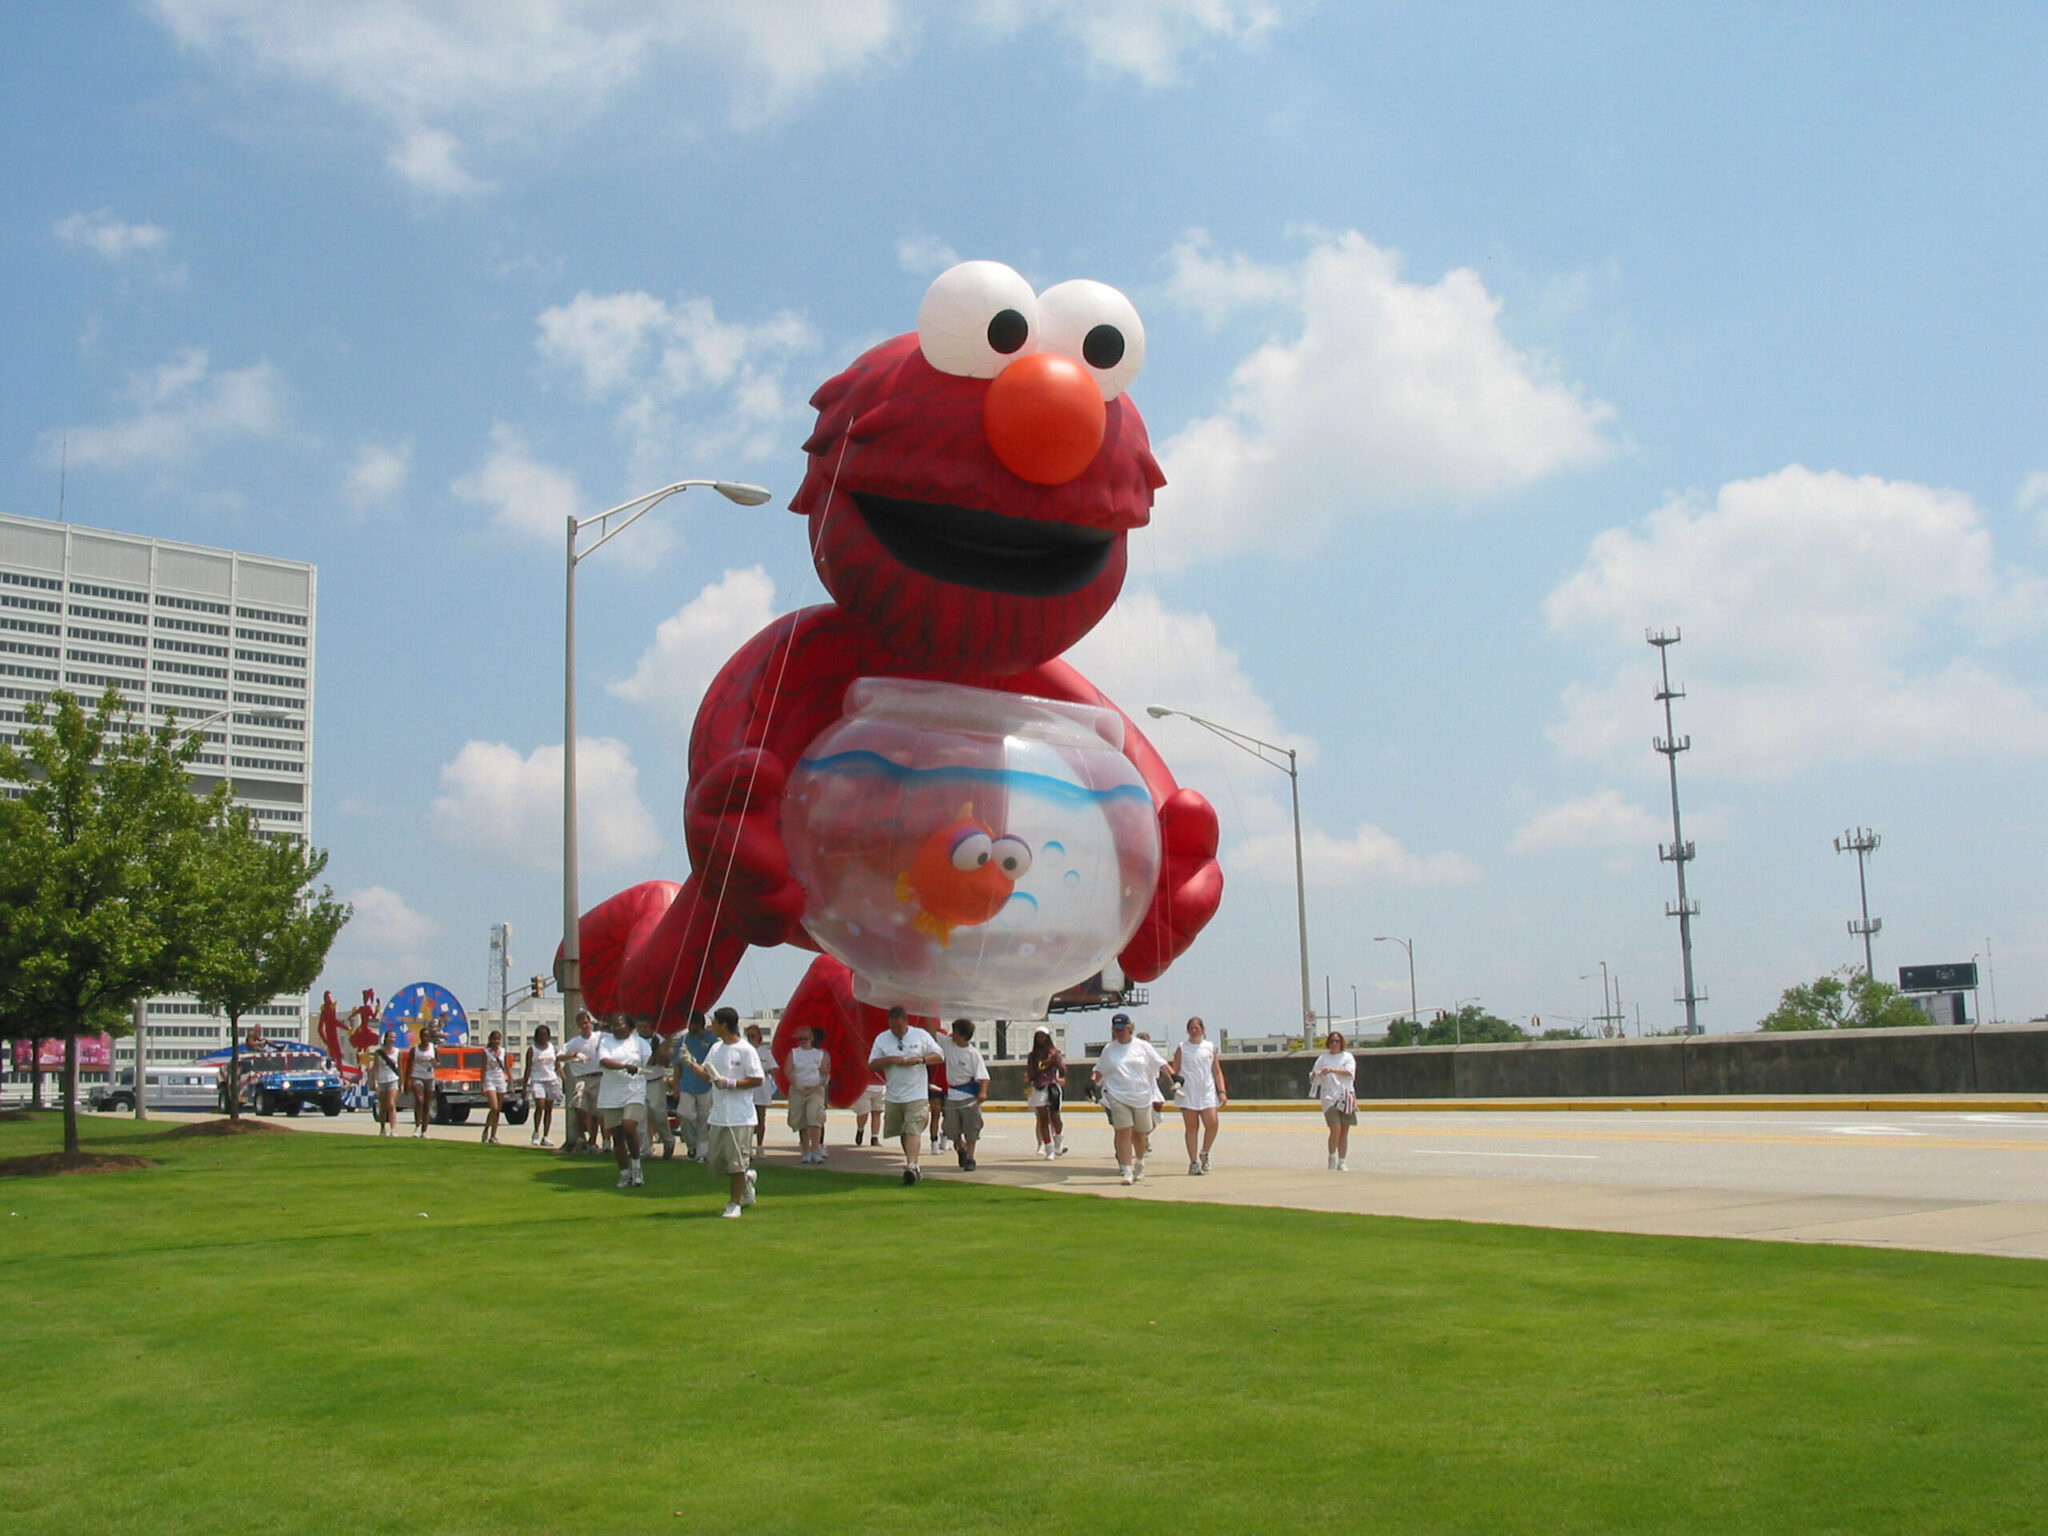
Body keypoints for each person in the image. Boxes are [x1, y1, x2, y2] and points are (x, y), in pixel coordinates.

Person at [1090, 1013, 1170, 1185]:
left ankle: (1139, 1163)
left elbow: (1161, 1063)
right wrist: (1092, 1083)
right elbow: (1100, 1069)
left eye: (1123, 1030)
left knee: (1140, 1135)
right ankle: (1126, 1169)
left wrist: (1175, 1077)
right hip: (1117, 1094)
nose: (1120, 1033)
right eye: (1116, 1030)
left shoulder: (1142, 1047)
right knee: (1123, 1131)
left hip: (1141, 1095)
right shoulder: (1109, 1050)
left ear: (1129, 1028)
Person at [866, 1006, 942, 1185]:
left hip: (917, 1093)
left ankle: (911, 1165)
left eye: (899, 1027)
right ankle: (913, 1164)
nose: (896, 1031)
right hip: (894, 1094)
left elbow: (939, 1055)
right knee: (903, 1131)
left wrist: (921, 1060)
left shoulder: (920, 1035)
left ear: (906, 1022)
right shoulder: (882, 1039)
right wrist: (891, 1060)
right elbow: (872, 1064)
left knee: (913, 1128)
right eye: (893, 1027)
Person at [704, 1007, 763, 1218]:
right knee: (717, 1163)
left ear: (724, 1025)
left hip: (740, 1116)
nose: (711, 1027)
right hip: (718, 1115)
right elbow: (707, 1075)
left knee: (737, 1162)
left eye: (715, 1023)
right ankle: (747, 1178)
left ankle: (734, 1203)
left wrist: (729, 1083)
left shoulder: (746, 1050)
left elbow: (757, 1079)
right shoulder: (715, 1048)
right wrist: (690, 1064)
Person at [595, 1014, 652, 1187]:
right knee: (617, 1136)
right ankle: (624, 1173)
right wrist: (625, 1067)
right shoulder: (605, 1042)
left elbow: (648, 1061)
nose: (616, 1028)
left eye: (620, 1024)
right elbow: (604, 1061)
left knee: (629, 1126)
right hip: (611, 1093)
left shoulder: (639, 1043)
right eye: (613, 1025)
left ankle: (636, 1167)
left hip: (634, 1090)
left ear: (629, 1026)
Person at [1169, 1017, 1228, 1175]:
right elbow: (1175, 1071)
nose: (1194, 1031)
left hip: (1207, 1091)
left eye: (1197, 1027)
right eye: (1191, 1028)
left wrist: (1222, 1091)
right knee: (1192, 1127)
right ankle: (1193, 1162)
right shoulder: (1182, 1047)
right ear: (1187, 1030)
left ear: (1203, 1029)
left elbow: (1216, 1071)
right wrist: (1175, 1086)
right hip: (1188, 1092)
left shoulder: (1210, 1047)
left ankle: (1205, 1152)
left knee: (1212, 1123)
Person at [937, 1019, 990, 1171]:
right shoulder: (948, 1044)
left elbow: (983, 1077)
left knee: (971, 1128)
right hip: (952, 1094)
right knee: (951, 1128)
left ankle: (971, 1158)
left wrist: (983, 1092)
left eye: (955, 1032)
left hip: (968, 1095)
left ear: (961, 1035)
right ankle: (961, 1148)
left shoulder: (973, 1054)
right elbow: (933, 1030)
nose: (952, 1035)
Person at [670, 1011, 715, 1163]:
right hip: (687, 1085)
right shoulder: (684, 1040)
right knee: (685, 1116)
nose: (690, 1027)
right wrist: (676, 1085)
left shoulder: (711, 1040)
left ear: (700, 1024)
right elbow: (678, 1064)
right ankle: (691, 1146)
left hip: (705, 1085)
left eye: (693, 1024)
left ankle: (702, 1152)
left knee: (704, 1120)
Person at [1310, 1031, 1358, 1171]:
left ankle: (1342, 1161)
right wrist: (1316, 1074)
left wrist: (1333, 1070)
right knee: (1335, 1129)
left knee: (1344, 1130)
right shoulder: (1322, 1059)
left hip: (1345, 1095)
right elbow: (1313, 1077)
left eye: (1337, 1041)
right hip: (1329, 1097)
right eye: (1332, 1041)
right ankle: (1332, 1157)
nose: (1334, 1044)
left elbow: (1350, 1073)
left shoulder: (1348, 1057)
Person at [784, 1026, 831, 1164]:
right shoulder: (794, 1053)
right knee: (802, 1121)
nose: (803, 1041)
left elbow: (824, 1071)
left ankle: (816, 1150)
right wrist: (796, 1083)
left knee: (815, 1118)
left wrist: (824, 1080)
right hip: (798, 1091)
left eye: (806, 1038)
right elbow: (788, 1070)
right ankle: (806, 1150)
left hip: (815, 1090)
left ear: (811, 1039)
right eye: (800, 1039)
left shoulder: (818, 1054)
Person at [638, 1018, 678, 1160]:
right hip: (639, 1082)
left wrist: (661, 1049)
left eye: (645, 1026)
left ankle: (668, 1140)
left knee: (658, 1113)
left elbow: (666, 1062)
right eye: (640, 1026)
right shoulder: (634, 1040)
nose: (643, 1029)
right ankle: (644, 1150)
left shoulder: (658, 1039)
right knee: (640, 1116)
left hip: (655, 1081)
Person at [1025, 1028, 1067, 1159]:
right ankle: (1049, 1148)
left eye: (1043, 1037)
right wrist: (1047, 1063)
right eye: (1038, 1037)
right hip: (1039, 1087)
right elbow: (1032, 1073)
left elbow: (1064, 1071)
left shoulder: (1054, 1053)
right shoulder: (1033, 1056)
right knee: (1042, 1119)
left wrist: (1056, 1061)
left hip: (1052, 1087)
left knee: (1055, 1117)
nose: (1040, 1039)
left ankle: (1058, 1140)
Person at [522, 1024, 561, 1147]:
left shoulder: (552, 1048)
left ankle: (546, 1135)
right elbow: (528, 1068)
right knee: (540, 1105)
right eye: (540, 1035)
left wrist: (564, 1080)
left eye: (545, 1035)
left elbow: (557, 1066)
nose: (543, 1037)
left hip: (551, 1080)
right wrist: (524, 1086)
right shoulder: (532, 1050)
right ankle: (536, 1133)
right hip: (537, 1079)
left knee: (549, 1109)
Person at [744, 1022, 777, 1152]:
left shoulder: (765, 1052)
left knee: (761, 1118)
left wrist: (764, 1069)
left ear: (759, 1037)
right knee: (747, 1119)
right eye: (748, 1036)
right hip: (747, 1088)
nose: (750, 1039)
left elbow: (774, 1069)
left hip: (761, 1089)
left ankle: (759, 1145)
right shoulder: (745, 1051)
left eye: (753, 1036)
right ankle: (747, 1145)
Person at [480, 1030, 510, 1145]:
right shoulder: (486, 1052)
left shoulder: (503, 1051)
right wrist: (482, 1084)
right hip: (489, 1079)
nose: (496, 1041)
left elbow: (506, 1067)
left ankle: (493, 1135)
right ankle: (486, 1129)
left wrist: (510, 1082)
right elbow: (483, 1068)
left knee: (498, 1110)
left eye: (498, 1039)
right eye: (494, 1039)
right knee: (494, 1107)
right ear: (490, 1040)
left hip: (500, 1079)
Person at [408, 1022, 438, 1138]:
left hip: (429, 1077)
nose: (425, 1038)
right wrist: (407, 1081)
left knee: (427, 1104)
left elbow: (438, 1063)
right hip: (417, 1076)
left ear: (429, 1037)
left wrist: (434, 1062)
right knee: (420, 1100)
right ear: (420, 1037)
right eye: (423, 1036)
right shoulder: (415, 1049)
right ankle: (417, 1126)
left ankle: (424, 1130)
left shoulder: (433, 1049)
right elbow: (410, 1065)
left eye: (427, 1036)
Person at [372, 1028, 402, 1137]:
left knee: (391, 1104)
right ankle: (382, 1127)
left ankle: (393, 1129)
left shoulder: (397, 1052)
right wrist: (375, 1082)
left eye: (394, 1037)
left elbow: (400, 1069)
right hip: (382, 1080)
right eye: (391, 1037)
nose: (392, 1039)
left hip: (393, 1079)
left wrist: (401, 1083)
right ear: (386, 1039)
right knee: (383, 1106)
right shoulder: (379, 1053)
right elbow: (375, 1068)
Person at [853, 1077, 886, 1147]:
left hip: (880, 1086)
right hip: (864, 1086)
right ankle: (860, 1129)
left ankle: (874, 1137)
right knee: (863, 1113)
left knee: (877, 1112)